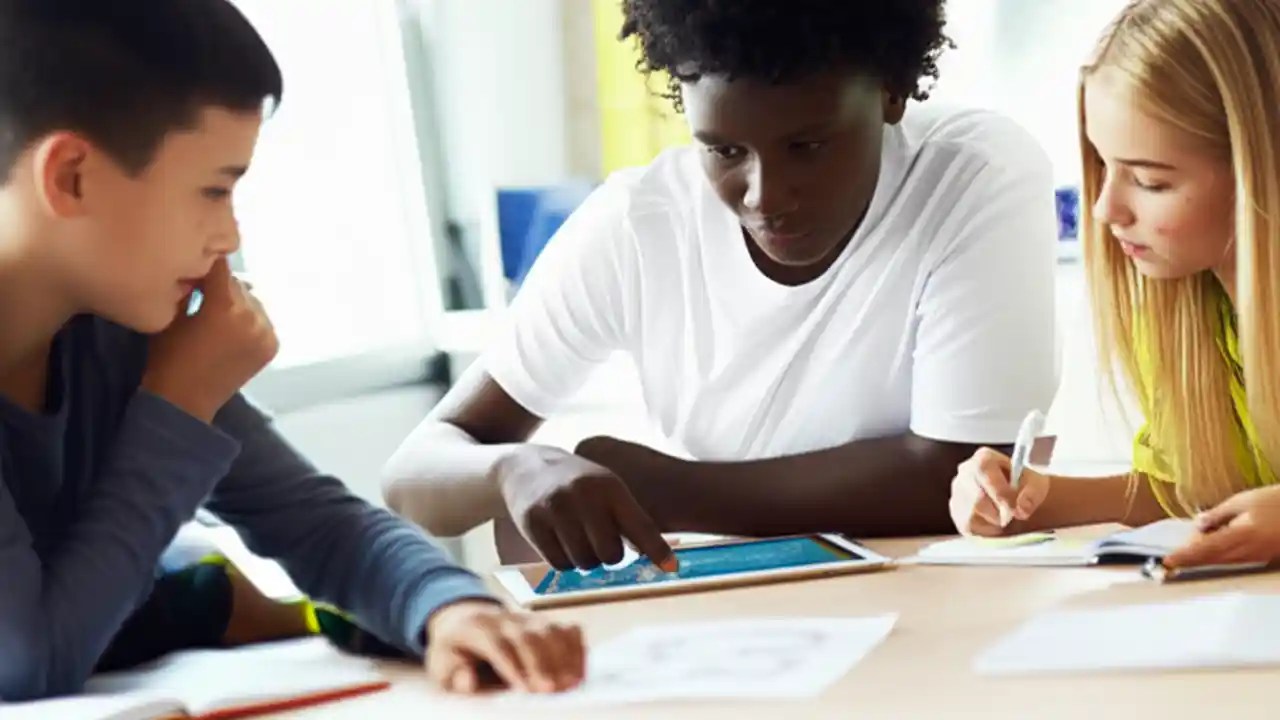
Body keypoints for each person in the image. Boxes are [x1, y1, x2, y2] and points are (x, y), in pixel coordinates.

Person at [0, 0, 583, 701]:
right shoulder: (158, 365)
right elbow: (25, 667)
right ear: (70, 177)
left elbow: (320, 524)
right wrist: (182, 401)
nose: (227, 234)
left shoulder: (116, 337)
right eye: (214, 190)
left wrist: (450, 608)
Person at [384, 0, 1059, 571]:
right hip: (735, 622)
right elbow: (412, 473)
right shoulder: (638, 226)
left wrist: (670, 490)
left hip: (937, 607)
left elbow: (961, 470)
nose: (766, 196)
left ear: (892, 90)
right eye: (724, 150)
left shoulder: (971, 174)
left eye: (809, 146)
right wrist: (509, 471)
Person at [948, 0, 1280, 570]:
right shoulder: (1188, 311)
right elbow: (1185, 491)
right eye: (1104, 166)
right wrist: (1034, 498)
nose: (1105, 209)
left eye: (1150, 181)